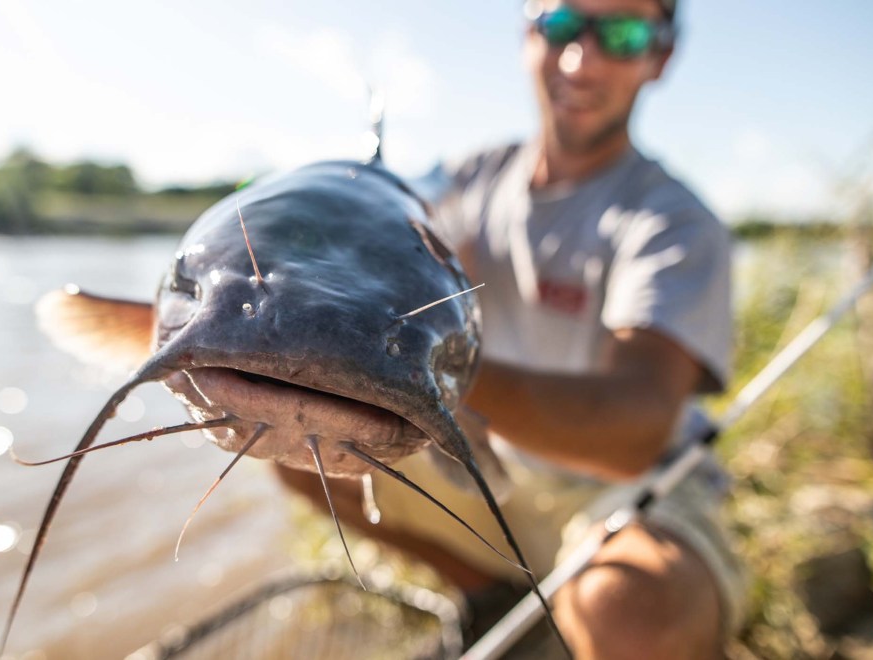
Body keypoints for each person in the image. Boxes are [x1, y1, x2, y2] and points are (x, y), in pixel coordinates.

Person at [278, 0, 746, 656]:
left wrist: (408, 360)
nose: (579, 60)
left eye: (621, 34)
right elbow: (388, 262)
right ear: (527, 33)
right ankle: (488, 592)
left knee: (631, 613)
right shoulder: (472, 180)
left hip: (621, 490)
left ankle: (578, 605)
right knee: (295, 448)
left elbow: (632, 436)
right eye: (558, 26)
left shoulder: (670, 221)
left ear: (659, 57)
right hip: (490, 466)